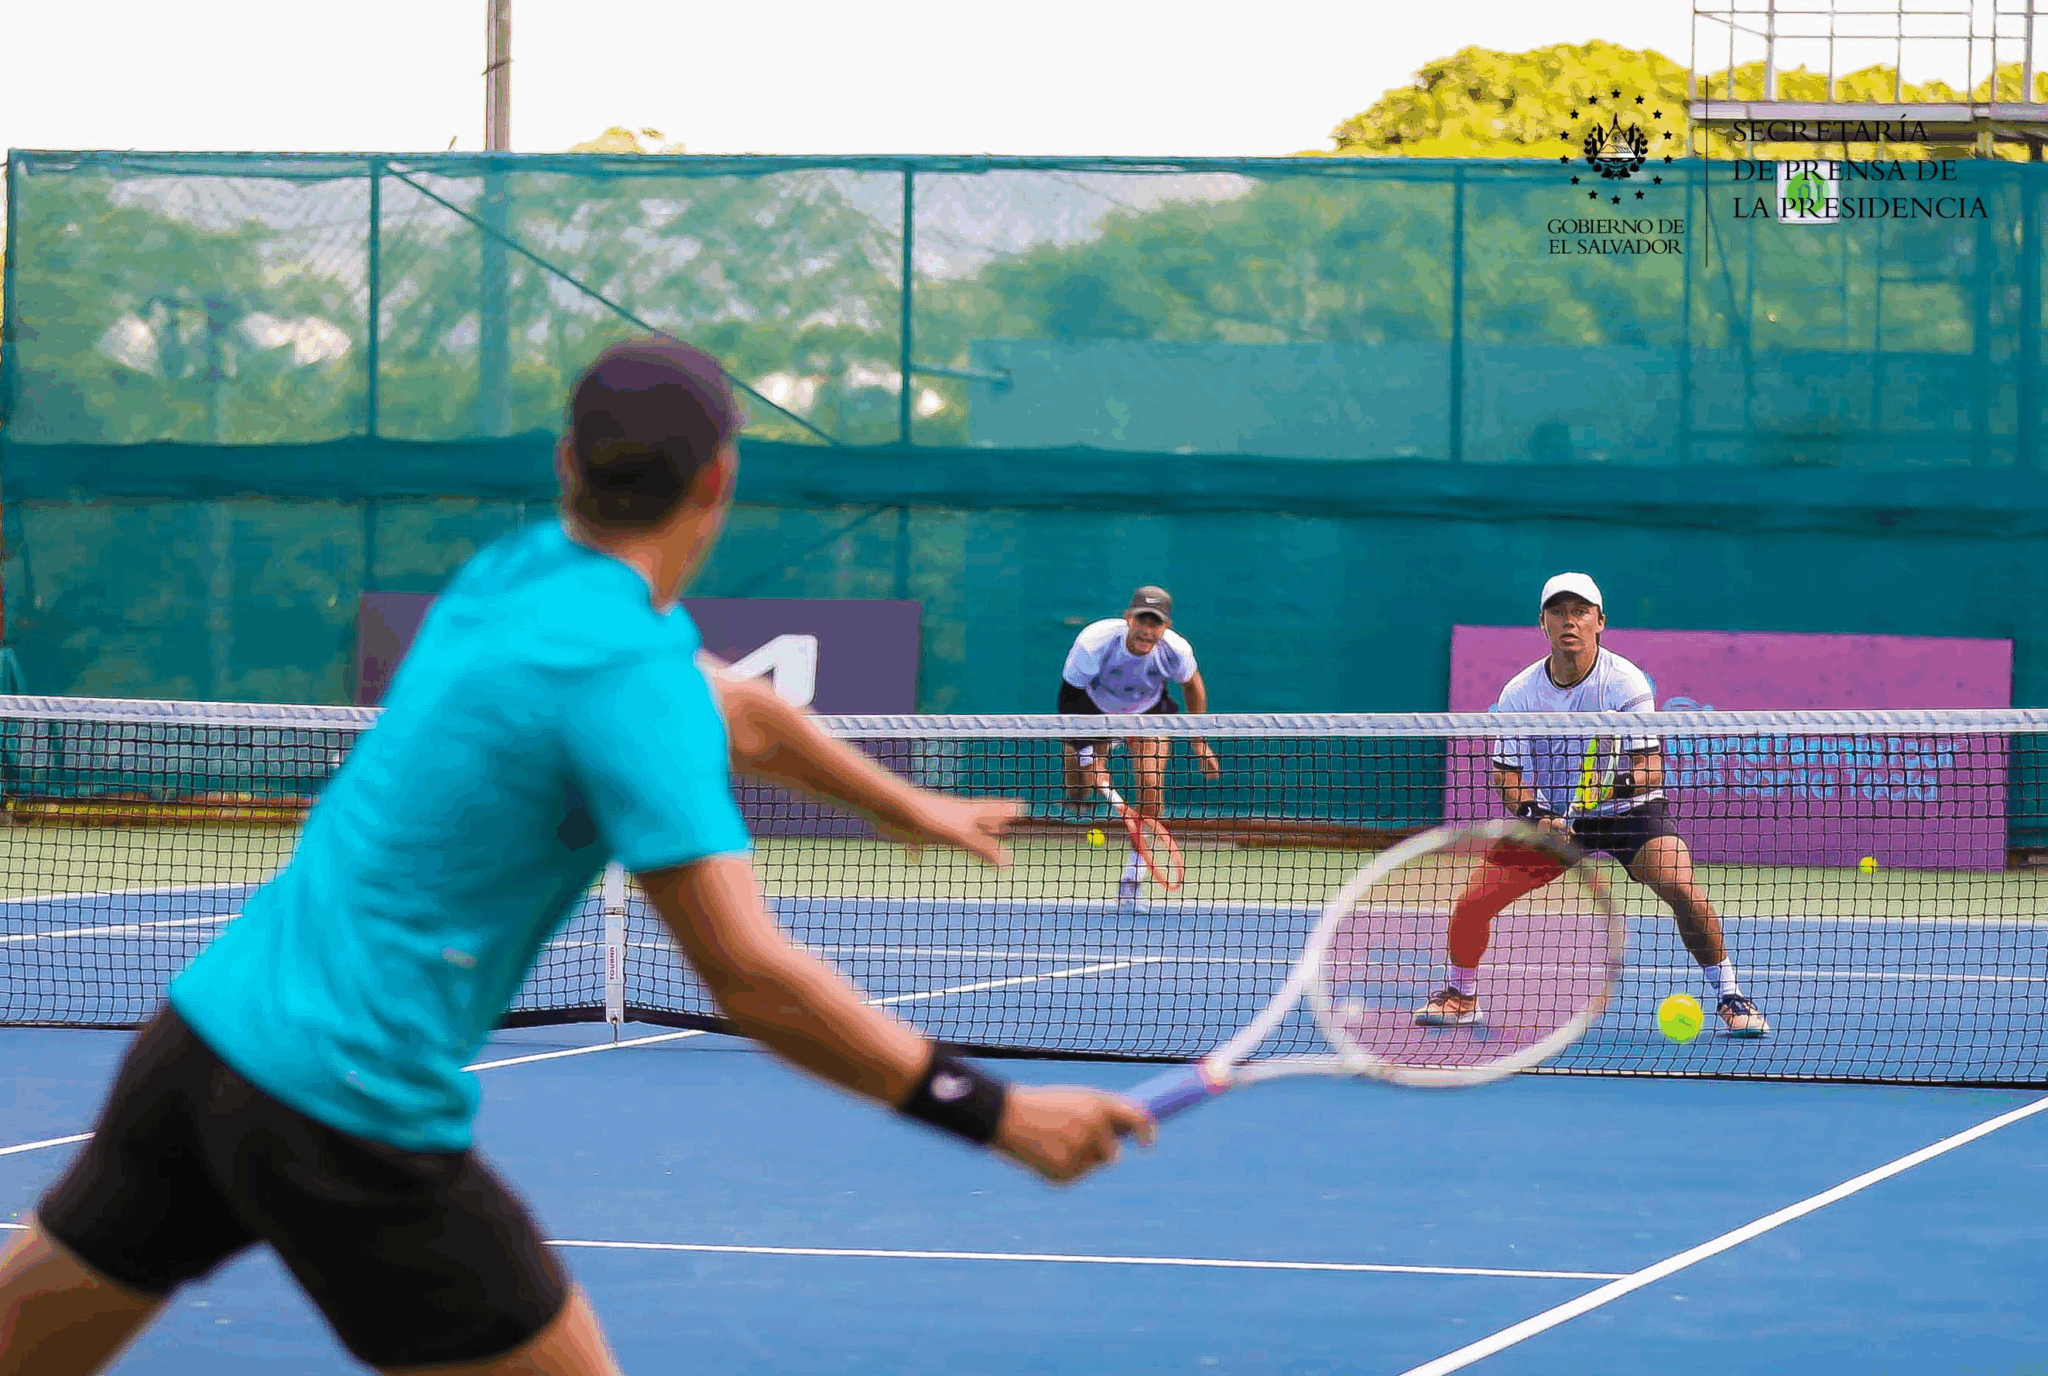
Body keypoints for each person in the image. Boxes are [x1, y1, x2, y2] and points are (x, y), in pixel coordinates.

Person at [0, 340, 1152, 1376]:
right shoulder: (628, 680)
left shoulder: (519, 572)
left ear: (567, 463)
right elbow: (748, 974)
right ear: (719, 480)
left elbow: (740, 711)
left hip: (200, 1041)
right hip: (344, 1104)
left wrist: (905, 806)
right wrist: (995, 1111)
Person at [1415, 573, 1770, 1038]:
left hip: (1631, 812)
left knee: (1678, 884)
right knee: (1473, 903)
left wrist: (1608, 787)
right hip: (1556, 818)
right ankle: (1461, 996)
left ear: (1599, 622)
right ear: (1542, 623)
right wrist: (1536, 817)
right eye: (1559, 612)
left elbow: (1651, 767)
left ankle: (1730, 995)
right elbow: (1507, 775)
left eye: (1580, 612)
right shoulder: (1520, 693)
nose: (1570, 621)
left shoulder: (1623, 681)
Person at [1058, 586, 1220, 902]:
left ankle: (1133, 875)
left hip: (1149, 715)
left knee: (1150, 786)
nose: (1147, 631)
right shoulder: (1095, 642)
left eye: (1155, 623)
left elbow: (1192, 686)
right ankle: (1078, 796)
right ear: (1128, 618)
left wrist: (1199, 741)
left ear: (1166, 626)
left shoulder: (1176, 650)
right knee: (1078, 788)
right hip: (1091, 711)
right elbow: (1068, 699)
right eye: (1142, 621)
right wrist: (1087, 753)